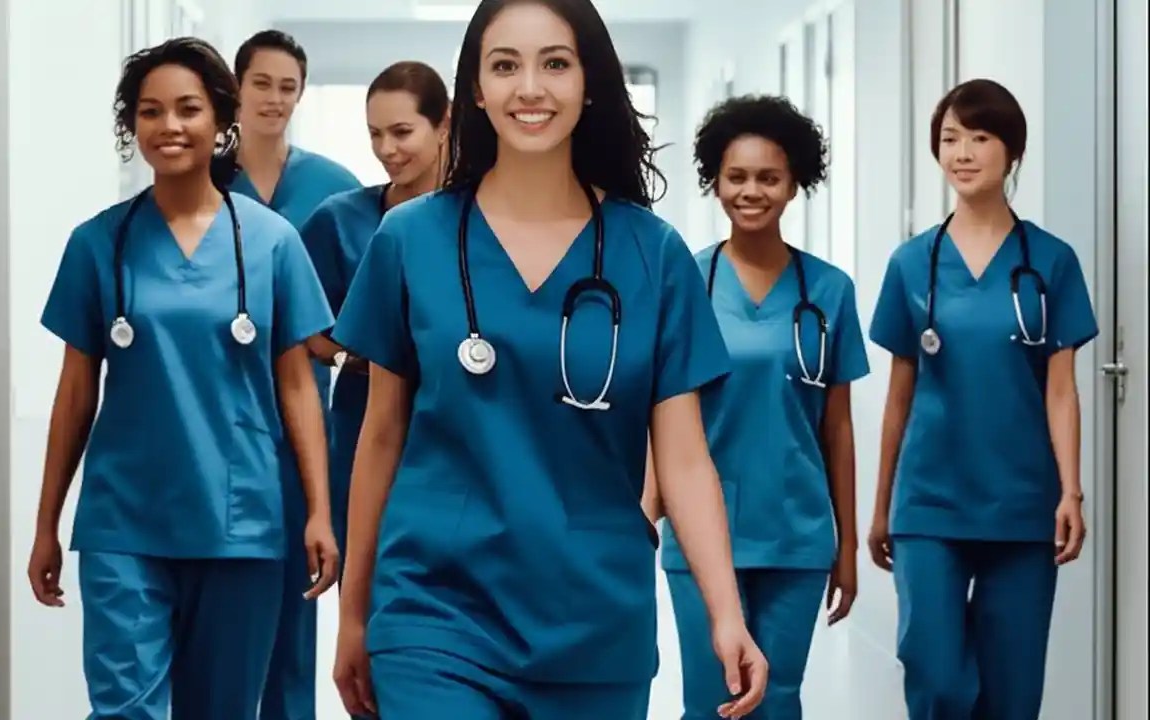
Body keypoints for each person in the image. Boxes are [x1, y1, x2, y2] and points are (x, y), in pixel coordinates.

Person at [329, 1, 769, 718]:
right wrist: (355, 615)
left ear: (589, 81)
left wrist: (725, 612)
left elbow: (685, 458)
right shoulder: (409, 240)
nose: (529, 87)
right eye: (505, 65)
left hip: (593, 621)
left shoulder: (650, 254)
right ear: (475, 87)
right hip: (436, 613)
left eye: (555, 64)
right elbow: (380, 437)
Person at [26, 37, 339, 719]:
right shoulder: (97, 243)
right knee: (125, 710)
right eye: (151, 111)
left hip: (241, 521)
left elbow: (297, 389)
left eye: (188, 109)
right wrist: (46, 522)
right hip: (124, 523)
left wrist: (318, 509)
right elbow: (75, 394)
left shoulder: (271, 242)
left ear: (220, 120)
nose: (169, 126)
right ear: (131, 126)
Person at [867, 78, 1097, 720]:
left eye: (979, 136)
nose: (961, 152)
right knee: (936, 677)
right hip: (930, 506)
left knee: (1012, 695)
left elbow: (1060, 389)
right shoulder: (912, 263)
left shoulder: (1051, 262)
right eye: (948, 139)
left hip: (1021, 505)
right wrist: (881, 505)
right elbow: (898, 396)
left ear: (1012, 151)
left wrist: (1070, 491)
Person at [647, 94, 869, 720]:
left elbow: (838, 429)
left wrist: (846, 547)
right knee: (711, 704)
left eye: (768, 177)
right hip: (700, 534)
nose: (752, 191)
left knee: (778, 702)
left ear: (794, 182)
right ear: (714, 182)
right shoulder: (686, 282)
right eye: (736, 176)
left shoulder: (829, 290)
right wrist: (646, 508)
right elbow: (659, 416)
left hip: (796, 532)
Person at [227, 29, 360, 720]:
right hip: (218, 416)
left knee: (294, 608)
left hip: (303, 422)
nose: (275, 99)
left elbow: (357, 315)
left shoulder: (334, 190)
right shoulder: (204, 179)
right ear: (236, 88)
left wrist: (333, 350)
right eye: (262, 84)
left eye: (288, 87)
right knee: (219, 625)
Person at [299, 60, 451, 561]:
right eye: (375, 134)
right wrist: (367, 353)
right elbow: (310, 333)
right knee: (369, 592)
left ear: (444, 122)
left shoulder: (484, 219)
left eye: (402, 131)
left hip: (457, 438)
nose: (387, 149)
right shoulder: (341, 220)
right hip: (365, 430)